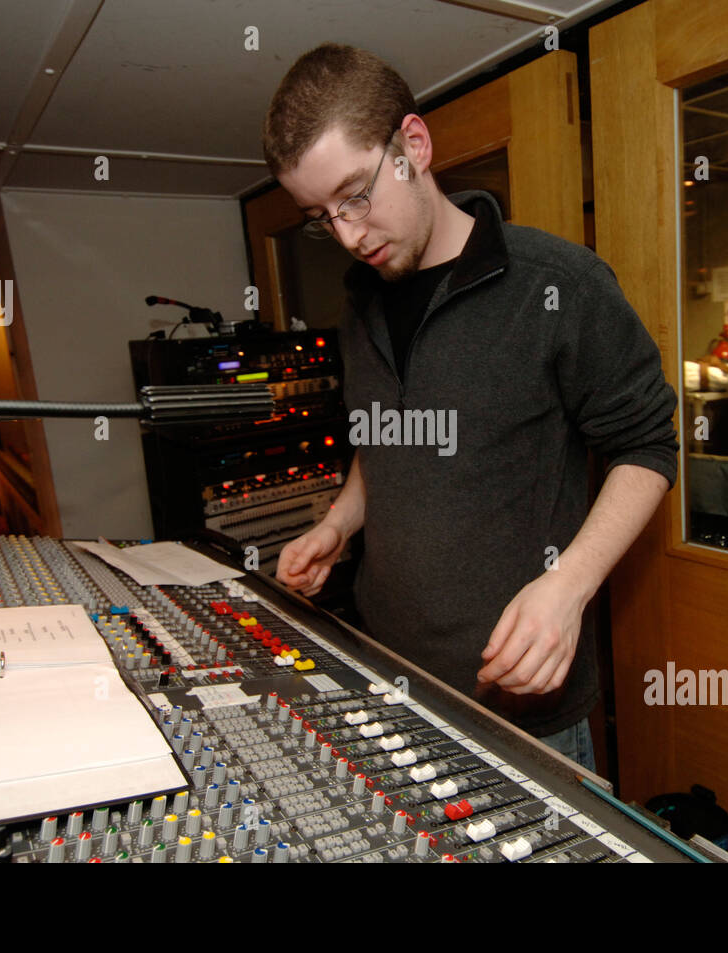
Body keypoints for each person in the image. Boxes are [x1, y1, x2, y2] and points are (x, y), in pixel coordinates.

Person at [263, 44, 677, 771]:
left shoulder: (559, 284)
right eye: (321, 216)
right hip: (384, 674)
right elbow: (384, 434)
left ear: (413, 146)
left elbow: (647, 446)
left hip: (522, 713)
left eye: (356, 194)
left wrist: (567, 587)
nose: (348, 234)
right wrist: (338, 521)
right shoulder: (358, 304)